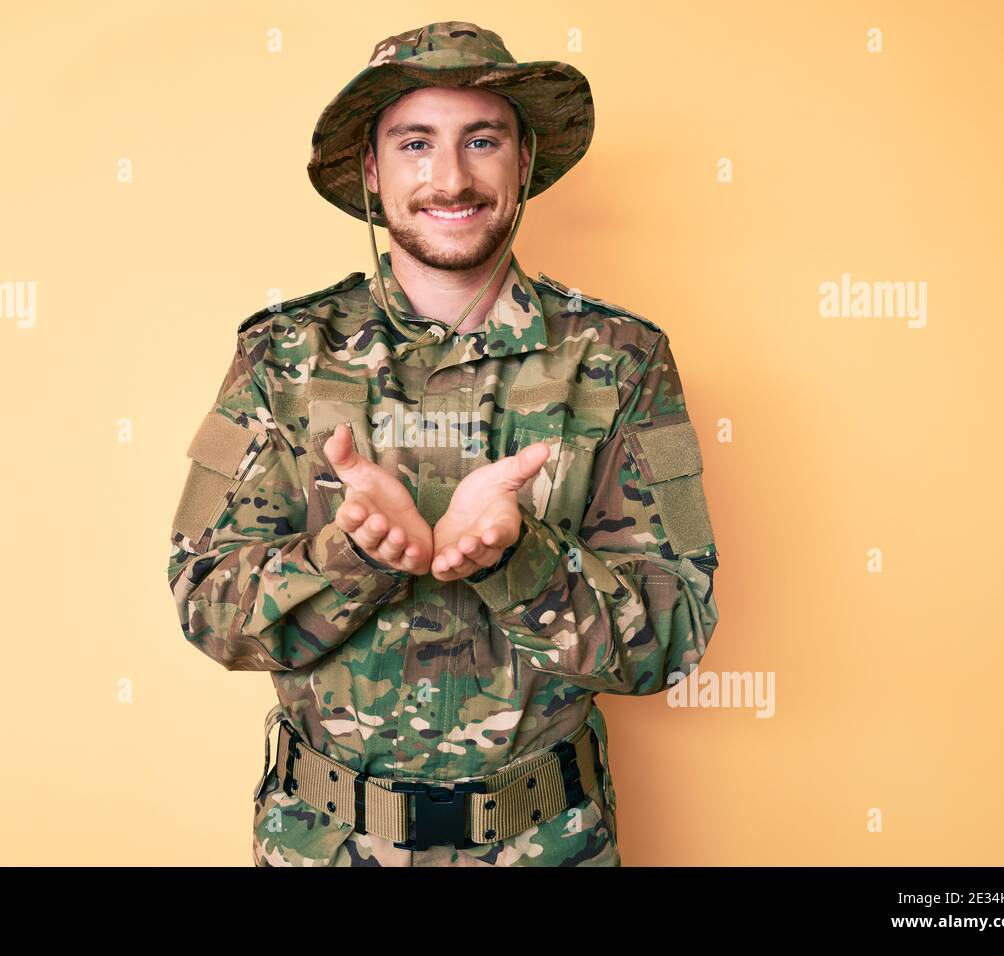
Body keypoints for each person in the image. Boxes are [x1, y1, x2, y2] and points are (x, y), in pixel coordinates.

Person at [167, 20, 720, 866]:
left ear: (524, 161)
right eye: (415, 143)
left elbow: (675, 633)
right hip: (322, 844)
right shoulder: (281, 354)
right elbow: (206, 606)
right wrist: (353, 555)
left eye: (482, 140)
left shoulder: (621, 360)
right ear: (371, 171)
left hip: (549, 845)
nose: (451, 177)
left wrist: (517, 559)